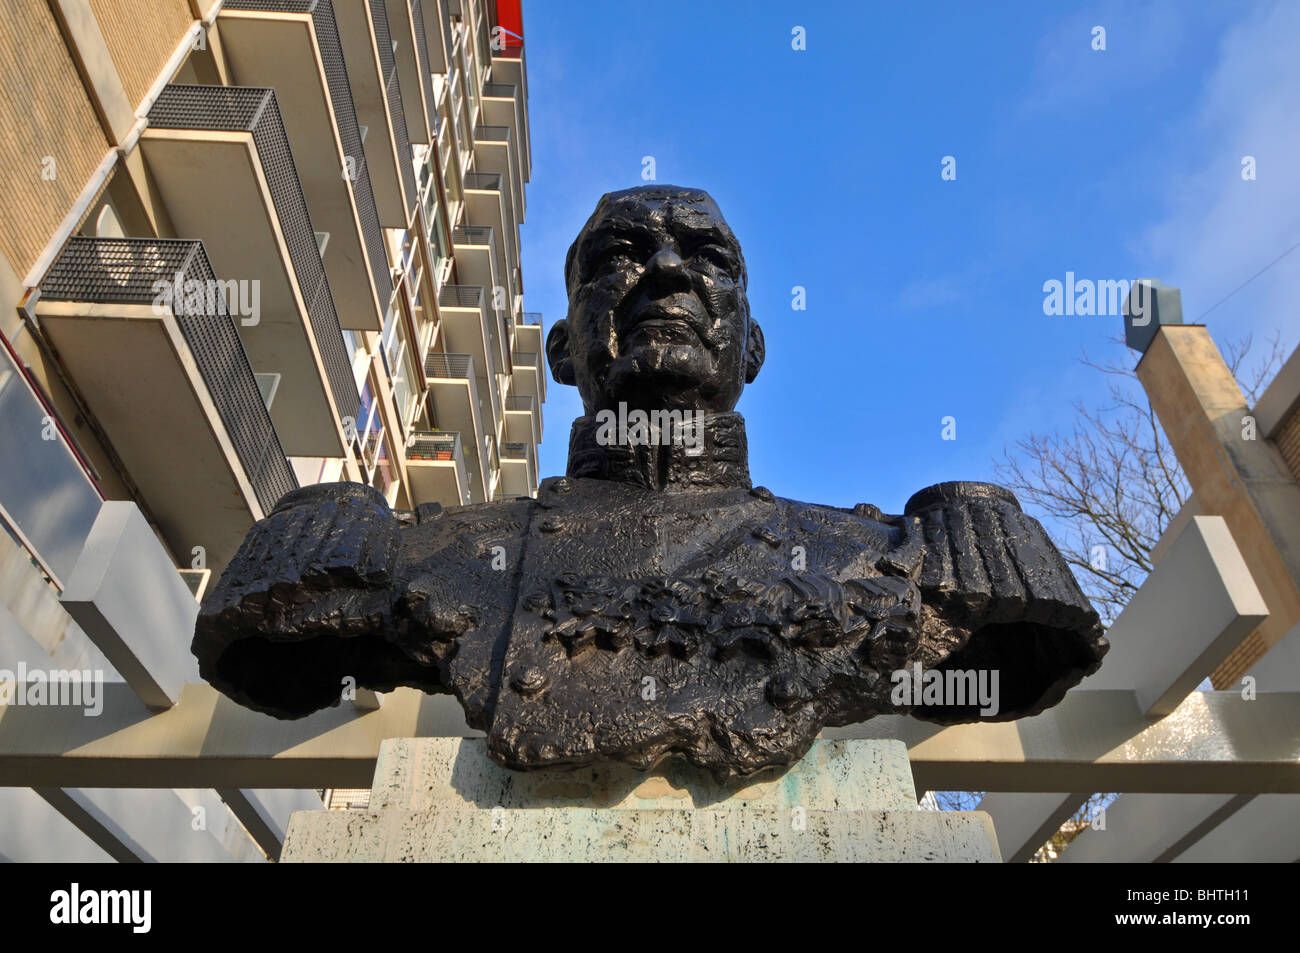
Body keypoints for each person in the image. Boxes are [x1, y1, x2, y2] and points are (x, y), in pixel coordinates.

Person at [193, 185, 1106, 780]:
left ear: (751, 344)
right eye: (619, 255)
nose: (667, 270)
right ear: (562, 349)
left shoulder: (912, 559)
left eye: (706, 259)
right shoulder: (401, 552)